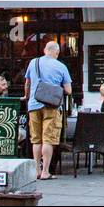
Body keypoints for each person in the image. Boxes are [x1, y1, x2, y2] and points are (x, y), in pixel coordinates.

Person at [23, 40, 72, 180]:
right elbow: (68, 90)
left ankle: (36, 171)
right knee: (48, 140)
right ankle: (45, 172)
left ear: (45, 50)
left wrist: (27, 97)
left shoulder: (34, 63)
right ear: (57, 52)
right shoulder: (61, 66)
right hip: (52, 106)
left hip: (33, 104)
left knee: (36, 140)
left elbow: (27, 84)